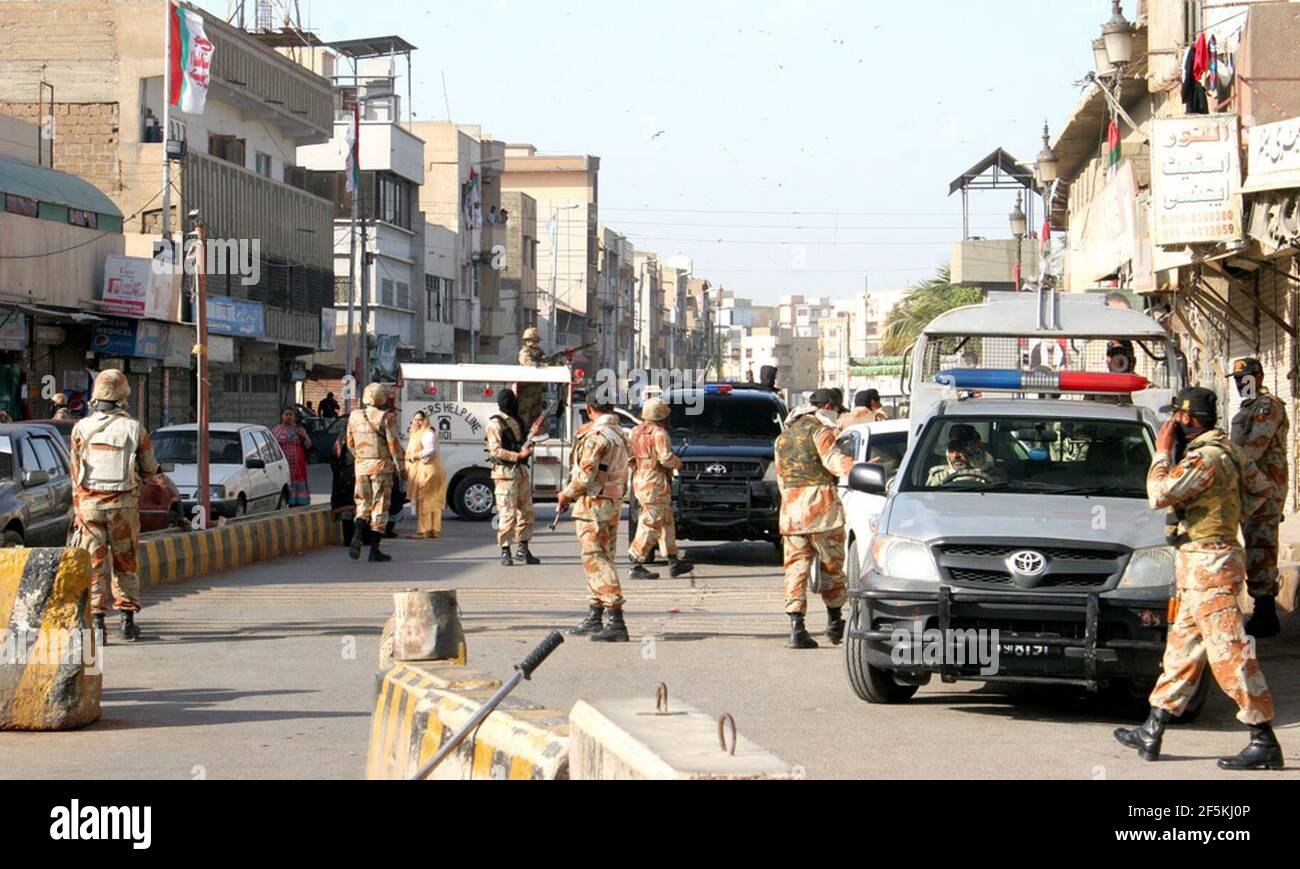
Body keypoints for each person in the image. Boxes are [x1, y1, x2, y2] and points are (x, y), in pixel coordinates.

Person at [1114, 387, 1283, 771]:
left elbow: (1159, 494)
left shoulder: (1205, 458)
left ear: (1187, 418)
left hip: (1210, 567)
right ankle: (1153, 728)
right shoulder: (1231, 451)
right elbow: (1262, 490)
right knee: (1181, 652)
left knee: (1230, 652)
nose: (1173, 422)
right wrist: (1227, 511)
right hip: (1200, 567)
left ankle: (1263, 738)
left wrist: (1161, 452)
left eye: (1177, 416)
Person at [69, 369, 162, 643]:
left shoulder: (80, 428)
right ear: (123, 397)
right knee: (125, 561)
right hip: (123, 507)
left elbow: (74, 470)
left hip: (89, 507)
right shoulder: (135, 429)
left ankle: (97, 624)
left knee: (94, 563)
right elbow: (148, 468)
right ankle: (127, 622)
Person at [774, 388, 856, 649]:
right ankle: (834, 622)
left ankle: (797, 628)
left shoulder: (783, 437)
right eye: (837, 410)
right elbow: (833, 462)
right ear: (829, 407)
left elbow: (780, 478)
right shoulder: (820, 430)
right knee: (831, 567)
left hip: (791, 513)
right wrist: (856, 466)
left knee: (796, 569)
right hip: (822, 512)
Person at [559, 396, 632, 643]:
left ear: (590, 409)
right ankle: (595, 614)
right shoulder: (620, 435)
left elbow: (585, 476)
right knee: (601, 557)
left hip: (594, 504)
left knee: (597, 559)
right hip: (611, 503)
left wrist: (566, 494)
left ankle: (616, 619)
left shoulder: (597, 436)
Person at [1228, 358, 1290, 638]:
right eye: (1238, 379)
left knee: (1262, 547)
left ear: (1259, 377)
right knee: (1254, 545)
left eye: (1246, 379)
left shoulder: (1267, 406)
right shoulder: (1247, 408)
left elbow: (1255, 446)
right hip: (1251, 488)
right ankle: (1262, 608)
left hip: (1266, 488)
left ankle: (1266, 612)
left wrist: (1226, 465)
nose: (1241, 384)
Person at [628, 397, 693, 580]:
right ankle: (635, 561)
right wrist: (678, 463)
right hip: (655, 483)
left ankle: (673, 561)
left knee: (666, 521)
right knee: (651, 522)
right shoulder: (659, 434)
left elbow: (630, 458)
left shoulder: (635, 432)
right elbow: (666, 458)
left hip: (641, 479)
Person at [346, 382, 404, 563]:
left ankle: (357, 536)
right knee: (380, 506)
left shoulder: (354, 416)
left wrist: (361, 458)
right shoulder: (386, 417)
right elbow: (394, 445)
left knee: (362, 504)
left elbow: (350, 442)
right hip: (381, 468)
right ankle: (374, 549)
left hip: (361, 466)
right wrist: (401, 467)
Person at [487, 389, 544, 566]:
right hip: (505, 474)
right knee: (507, 514)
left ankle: (523, 548)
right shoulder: (495, 424)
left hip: (521, 473)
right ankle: (505, 551)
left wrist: (532, 437)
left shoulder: (517, 420)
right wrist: (518, 456)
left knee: (527, 512)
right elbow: (495, 451)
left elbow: (523, 442)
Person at [405, 411, 447, 539]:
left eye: (420, 420)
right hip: (431, 470)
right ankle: (433, 530)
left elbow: (430, 450)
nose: (417, 422)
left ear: (425, 420)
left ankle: (423, 531)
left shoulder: (427, 433)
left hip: (428, 471)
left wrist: (414, 456)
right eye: (415, 420)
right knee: (433, 501)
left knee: (424, 501)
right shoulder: (419, 433)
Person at [925, 424, 1001, 486]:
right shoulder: (939, 476)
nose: (956, 456)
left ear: (976, 451)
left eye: (962, 449)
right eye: (952, 449)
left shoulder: (994, 476)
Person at [272, 408, 312, 507]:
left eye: (291, 414)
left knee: (297, 482)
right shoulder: (276, 430)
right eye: (286, 414)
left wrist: (303, 436)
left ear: (294, 417)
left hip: (297, 466)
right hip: (282, 465)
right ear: (282, 416)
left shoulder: (298, 429)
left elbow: (308, 444)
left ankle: (298, 501)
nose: (288, 417)